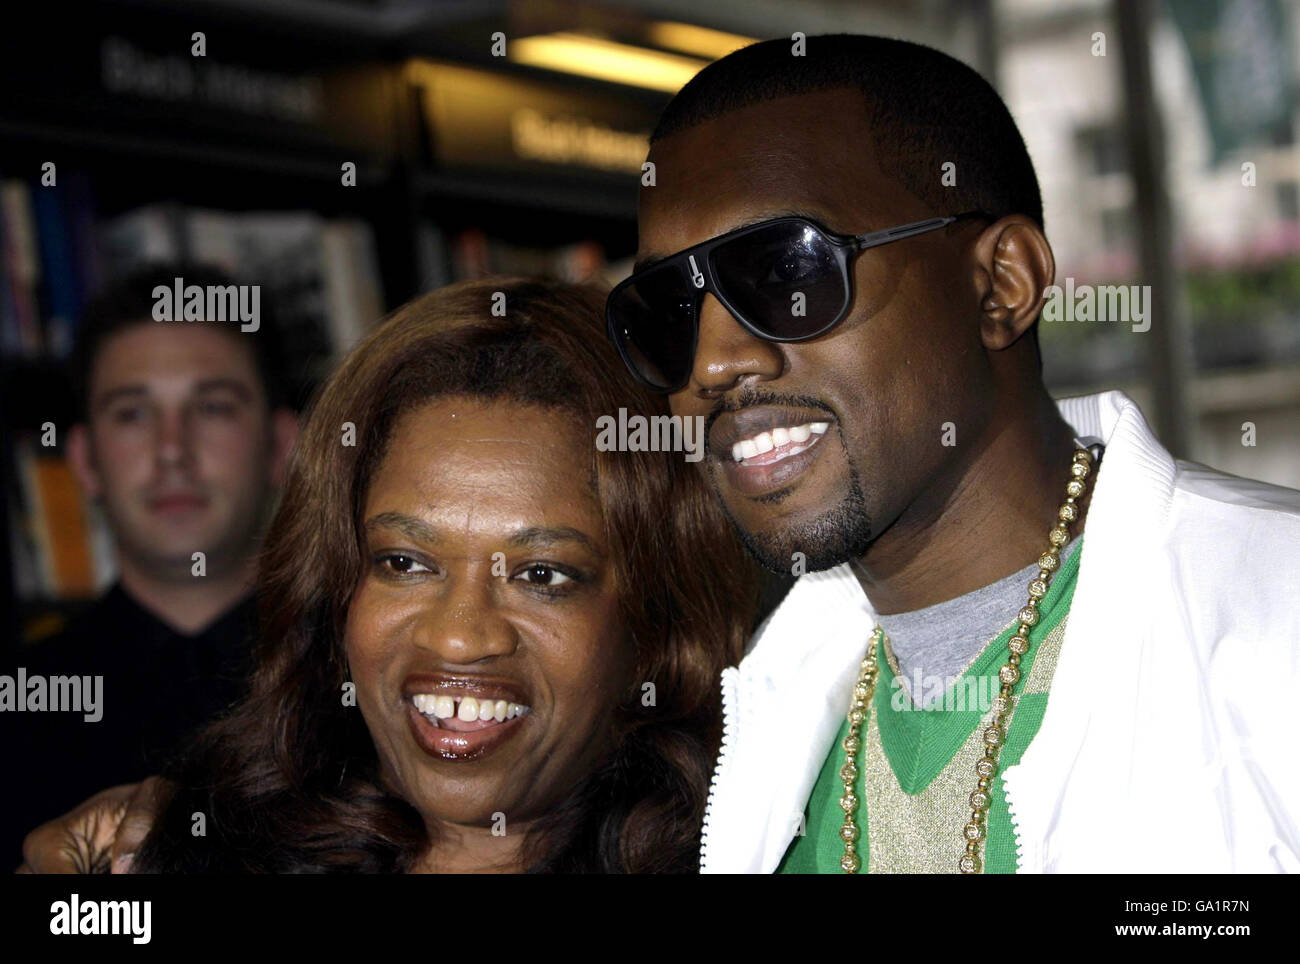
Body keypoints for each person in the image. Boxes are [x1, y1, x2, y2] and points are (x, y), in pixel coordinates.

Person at [606, 34, 1300, 872]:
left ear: (1002, 282)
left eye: (787, 272)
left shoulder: (1270, 615)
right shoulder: (769, 697)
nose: (714, 364)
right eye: (667, 310)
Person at [25, 277, 756, 873]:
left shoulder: (765, 850)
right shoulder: (177, 854)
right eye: (405, 563)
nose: (461, 637)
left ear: (653, 623)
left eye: (543, 573)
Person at [2, 263, 299, 865]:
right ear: (83, 460)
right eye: (133, 414)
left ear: (282, 445)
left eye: (213, 406)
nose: (171, 451)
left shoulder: (371, 686)